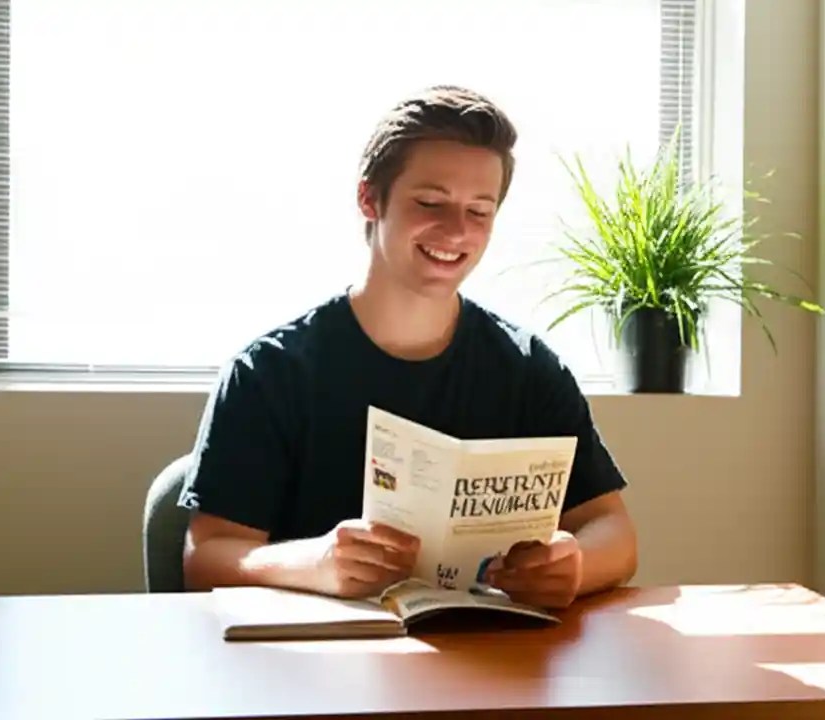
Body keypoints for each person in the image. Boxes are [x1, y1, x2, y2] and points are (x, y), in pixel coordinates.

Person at [178, 85, 637, 609]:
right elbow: (206, 557)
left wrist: (574, 566)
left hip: (489, 668)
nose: (456, 231)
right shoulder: (268, 371)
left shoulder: (529, 368)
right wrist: (317, 564)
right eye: (430, 203)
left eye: (479, 211)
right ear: (369, 198)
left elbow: (614, 532)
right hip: (311, 669)